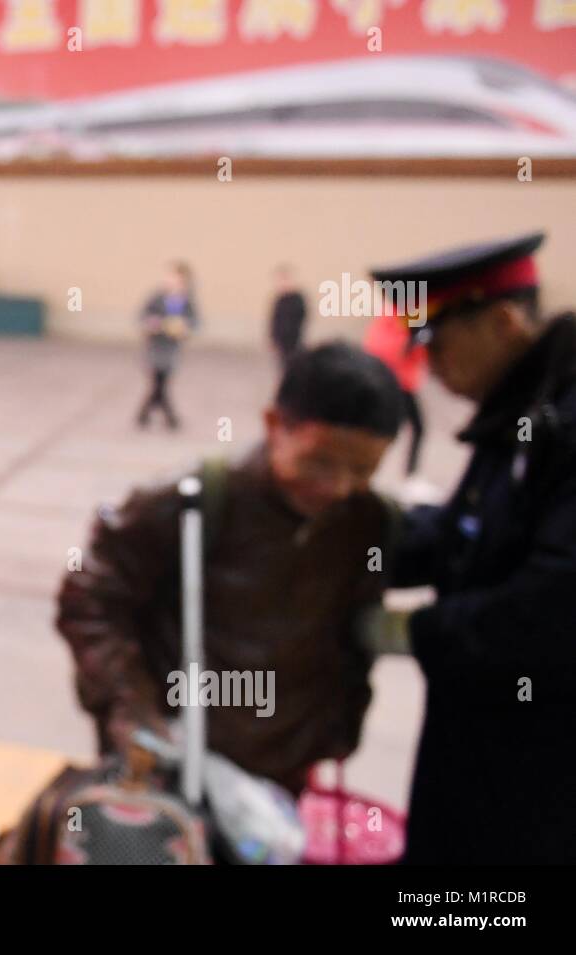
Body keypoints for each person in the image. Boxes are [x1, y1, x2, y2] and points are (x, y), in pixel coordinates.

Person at [59, 342, 404, 795]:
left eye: (363, 470)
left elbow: (354, 630)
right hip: (174, 758)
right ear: (274, 425)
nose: (338, 487)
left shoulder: (367, 519)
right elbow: (91, 599)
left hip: (286, 767)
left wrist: (340, 729)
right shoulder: (190, 501)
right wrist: (131, 707)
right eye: (319, 461)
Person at [379, 231, 576, 864]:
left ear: (502, 321)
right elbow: (469, 530)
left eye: (436, 341)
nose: (428, 365)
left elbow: (554, 605)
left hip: (540, 766)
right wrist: (357, 541)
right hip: (484, 742)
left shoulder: (561, 423)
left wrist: (415, 630)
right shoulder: (523, 409)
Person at [363, 309, 429, 476]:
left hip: (391, 380)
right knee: (391, 430)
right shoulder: (406, 313)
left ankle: (406, 474)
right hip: (398, 383)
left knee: (393, 429)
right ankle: (373, 470)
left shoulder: (398, 312)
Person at [137, 262, 198, 430]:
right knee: (158, 382)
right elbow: (143, 316)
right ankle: (169, 418)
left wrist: (184, 327)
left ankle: (145, 414)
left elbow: (194, 322)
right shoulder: (157, 299)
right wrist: (151, 324)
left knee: (161, 383)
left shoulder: (186, 302)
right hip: (156, 346)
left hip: (172, 348)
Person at [268, 263, 308, 370]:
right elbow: (274, 320)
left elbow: (301, 317)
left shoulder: (297, 299)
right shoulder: (280, 300)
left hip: (293, 340)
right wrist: (273, 338)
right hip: (281, 340)